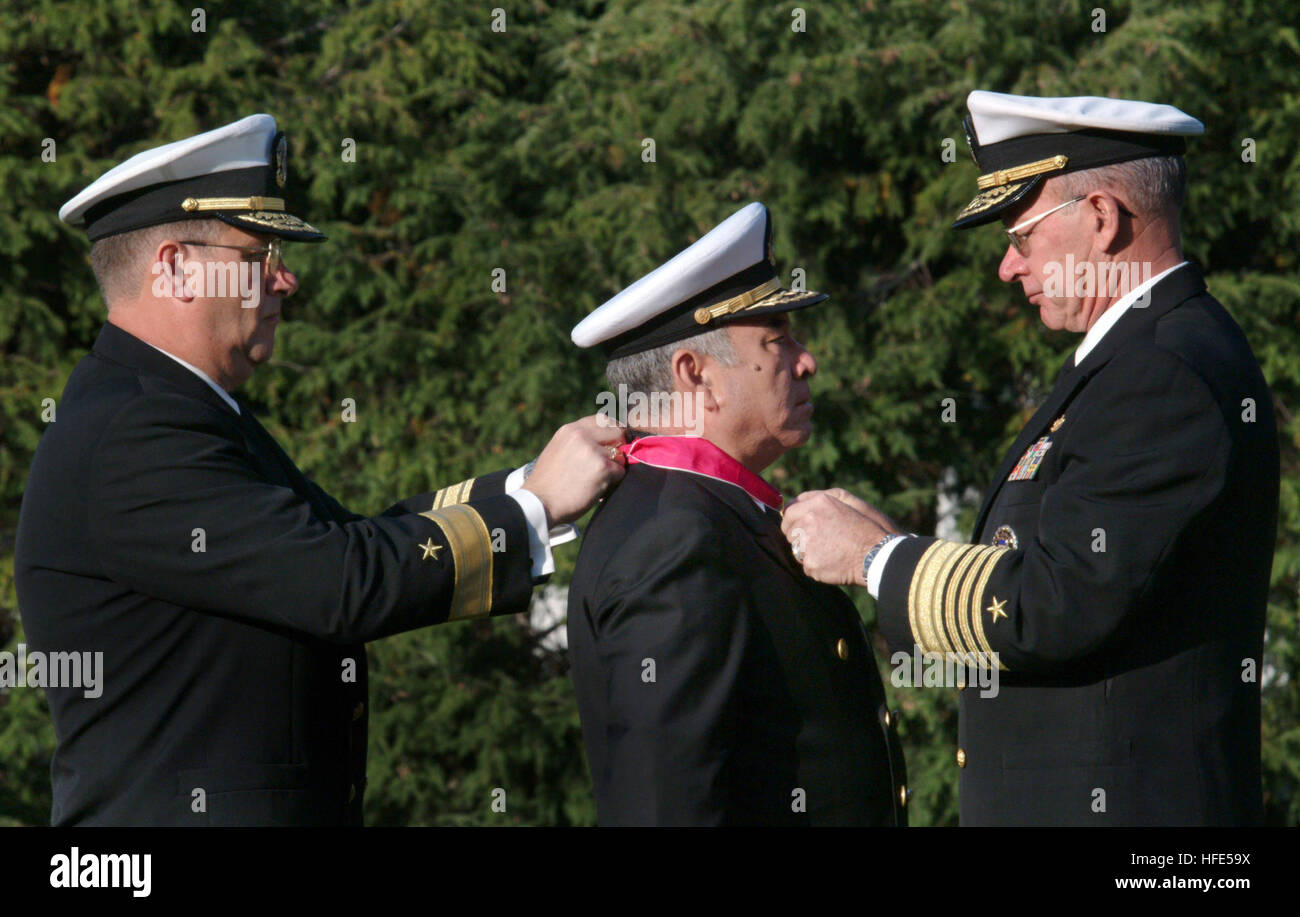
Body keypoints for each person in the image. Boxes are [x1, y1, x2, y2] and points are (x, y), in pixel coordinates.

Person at [15, 113, 624, 826]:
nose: (286, 280)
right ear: (174, 266)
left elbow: (344, 539)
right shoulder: (139, 432)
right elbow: (339, 580)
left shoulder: (176, 411)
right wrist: (530, 512)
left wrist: (527, 488)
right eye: (258, 257)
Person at [782, 91, 1279, 826]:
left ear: (1103, 219)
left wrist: (879, 560)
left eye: (1021, 236)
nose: (1008, 268)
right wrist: (898, 550)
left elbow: (1057, 601)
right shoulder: (1143, 355)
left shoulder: (1161, 372)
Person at [566, 202, 907, 826]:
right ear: (696, 376)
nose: (807, 361)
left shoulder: (702, 511)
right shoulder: (676, 537)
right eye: (778, 340)